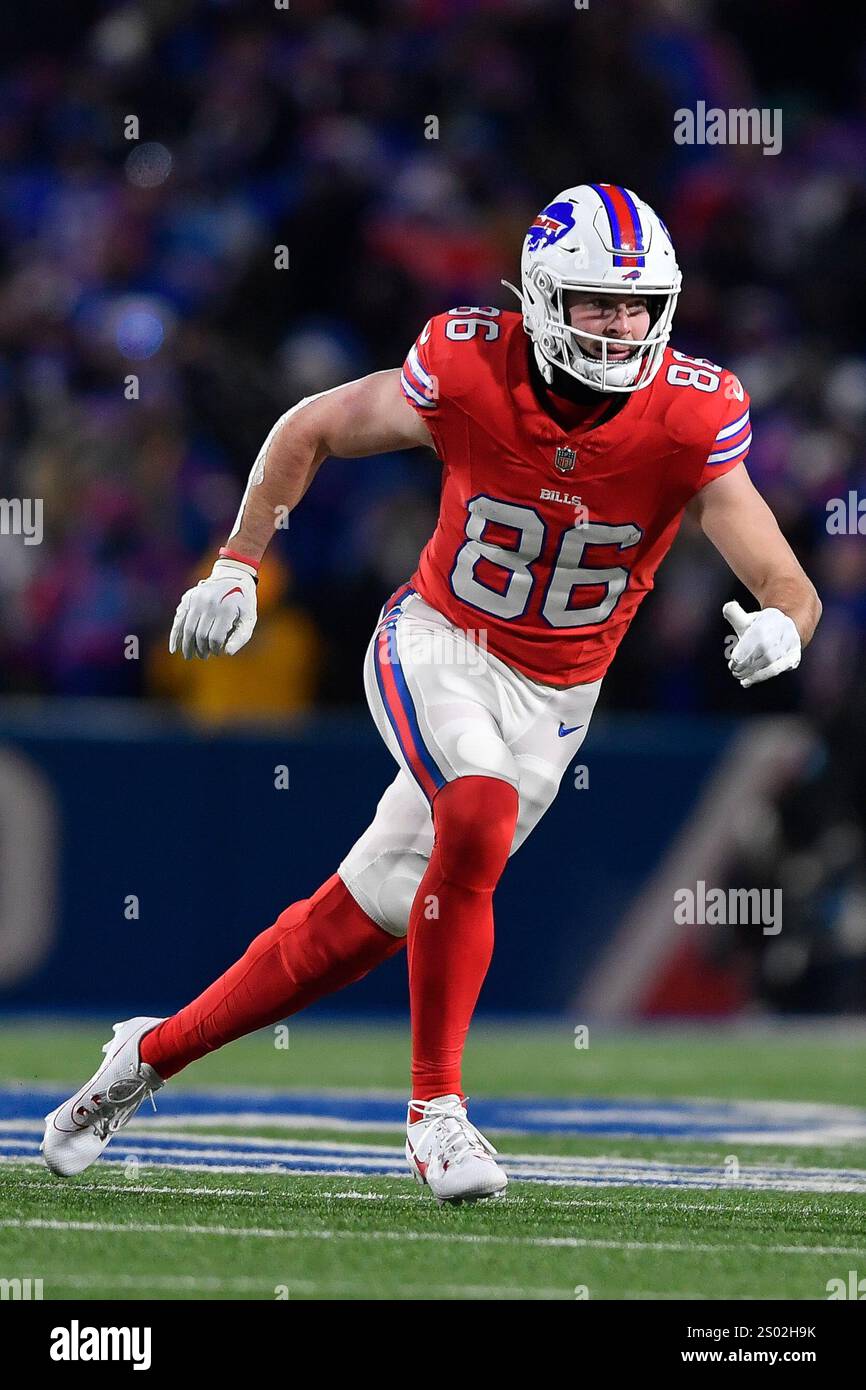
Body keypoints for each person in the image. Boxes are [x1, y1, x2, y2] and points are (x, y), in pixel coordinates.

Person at [42, 184, 821, 1204]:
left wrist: (782, 626)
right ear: (544, 297)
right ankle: (436, 1113)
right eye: (595, 300)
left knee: (355, 923)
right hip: (439, 640)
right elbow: (311, 424)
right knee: (477, 810)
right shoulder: (468, 363)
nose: (620, 323)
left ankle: (144, 1057)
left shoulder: (689, 411)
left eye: (636, 304)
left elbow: (781, 576)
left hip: (556, 697)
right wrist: (238, 562)